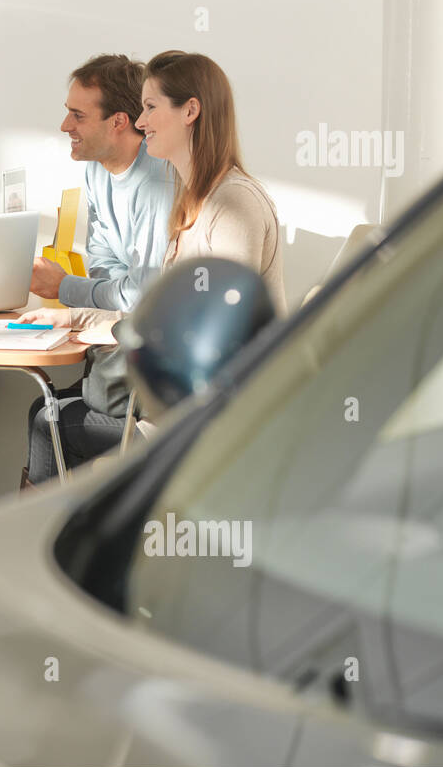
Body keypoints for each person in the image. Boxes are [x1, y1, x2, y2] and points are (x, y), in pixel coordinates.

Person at [21, 50, 285, 484]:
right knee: (50, 416)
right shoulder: (194, 202)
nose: (140, 123)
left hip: (208, 426)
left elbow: (222, 338)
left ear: (191, 112)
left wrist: (95, 318)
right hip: (180, 413)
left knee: (50, 423)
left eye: (149, 108)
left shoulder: (233, 205)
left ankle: (49, 548)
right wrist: (78, 316)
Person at [29, 54, 175, 314]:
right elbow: (102, 259)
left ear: (118, 121)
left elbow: (143, 296)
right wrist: (113, 296)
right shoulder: (97, 168)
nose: (65, 126)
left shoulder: (157, 182)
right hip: (118, 322)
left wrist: (63, 286)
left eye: (78, 116)